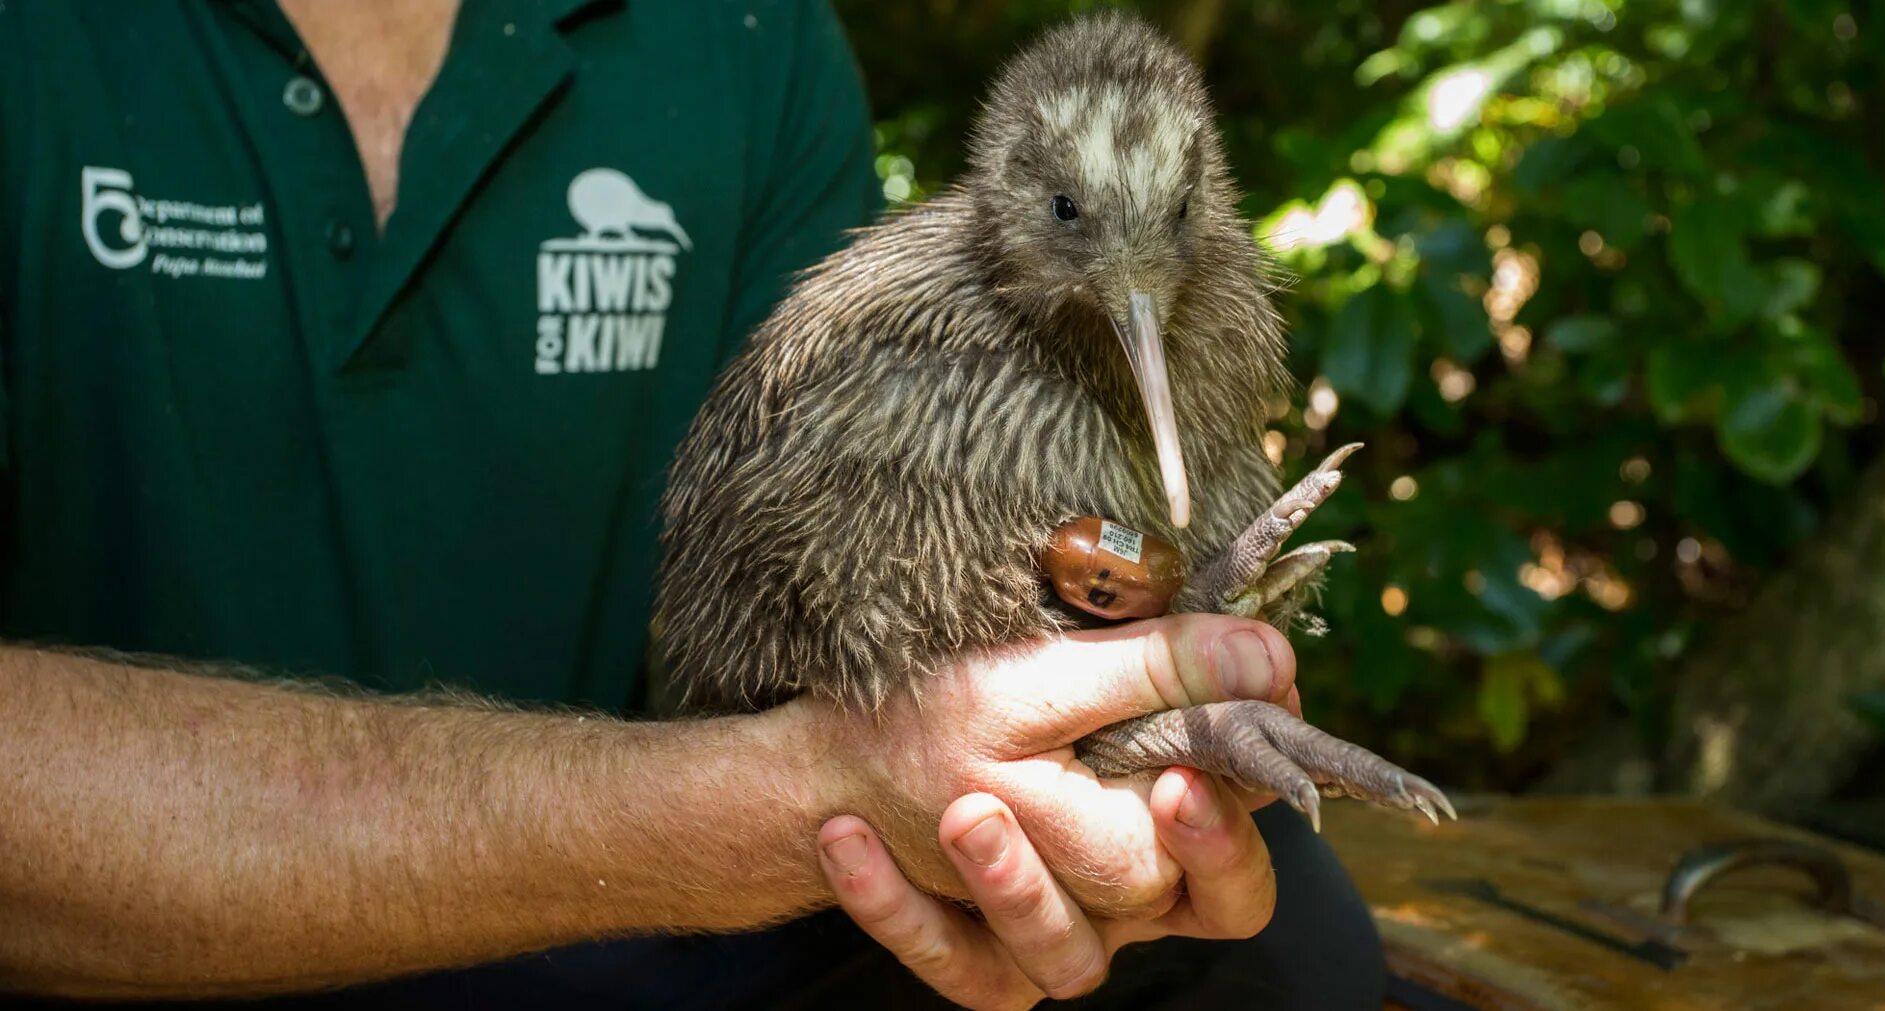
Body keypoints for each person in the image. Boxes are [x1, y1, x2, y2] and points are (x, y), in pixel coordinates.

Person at [0, 1, 1387, 1007]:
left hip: (619, 931)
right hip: (133, 939)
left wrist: (1069, 703)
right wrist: (789, 802)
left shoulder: (740, 36)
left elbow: (836, 583)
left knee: (1275, 947)